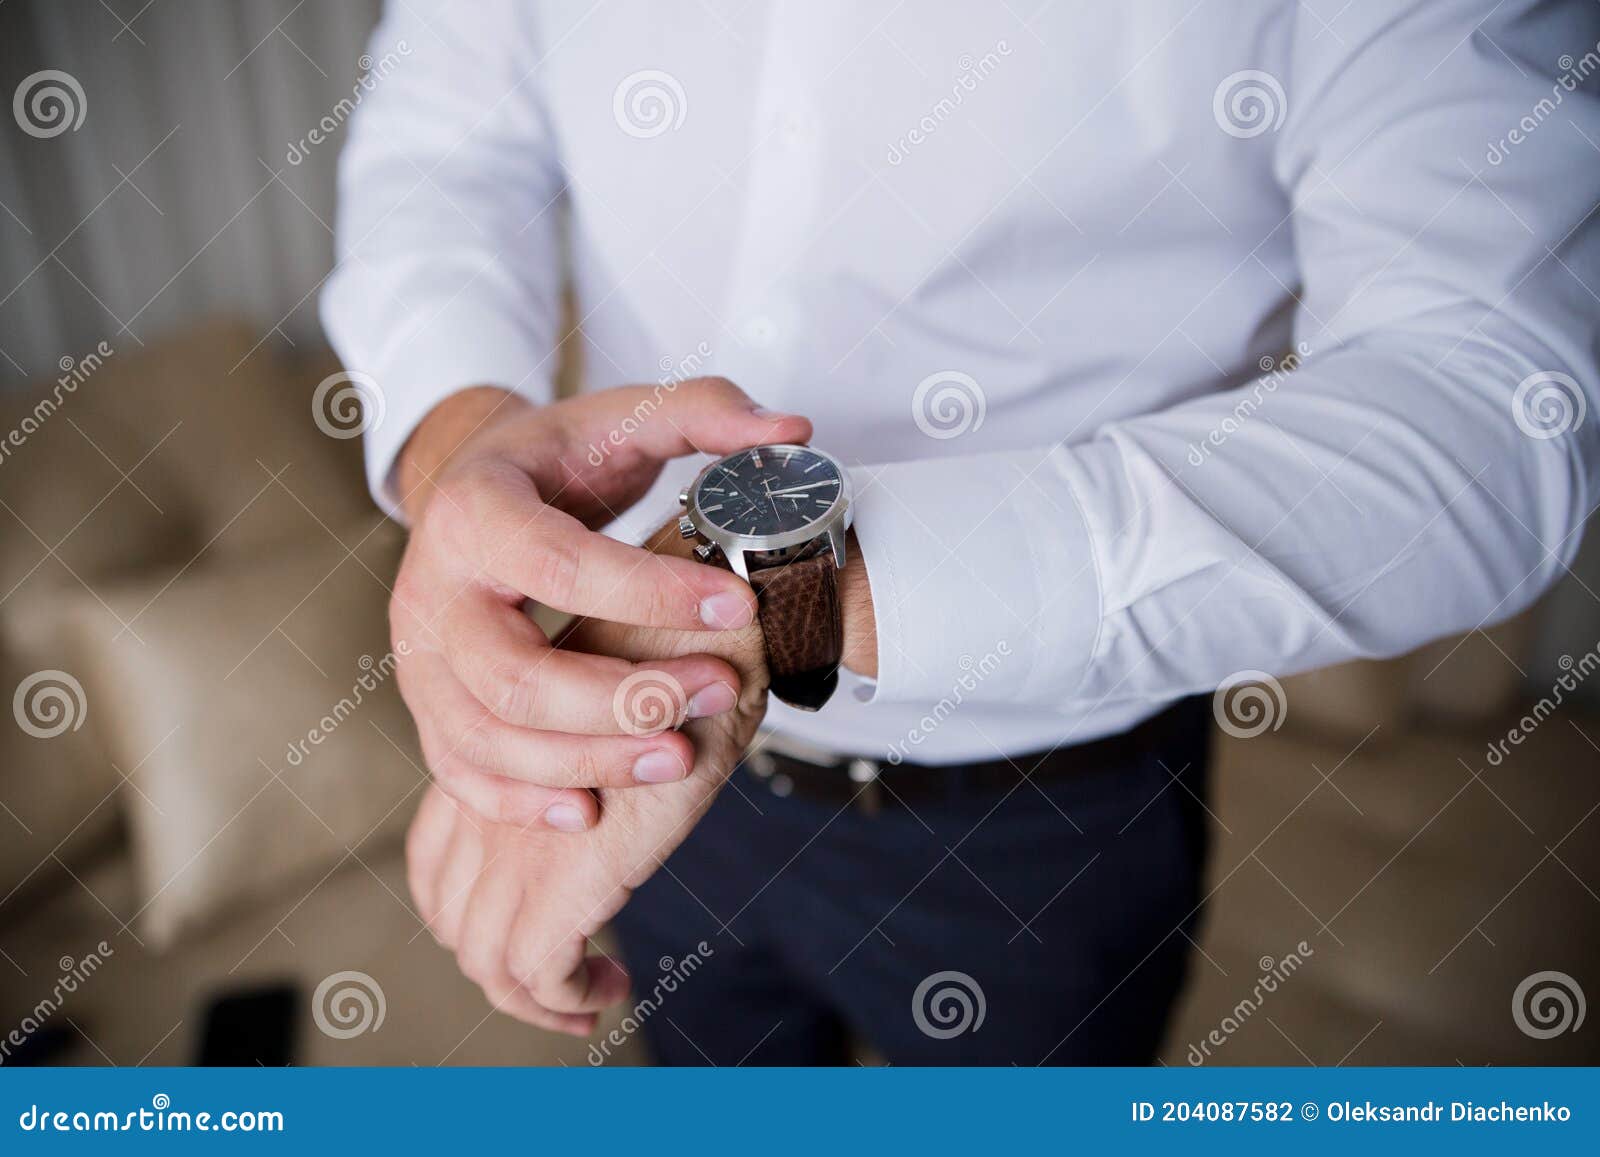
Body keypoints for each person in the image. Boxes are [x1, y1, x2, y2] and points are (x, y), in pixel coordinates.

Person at [322, 0, 1600, 1064]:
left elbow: (1494, 401)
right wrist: (459, 441)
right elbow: (442, 139)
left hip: (1041, 817)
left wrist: (739, 601)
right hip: (626, 760)